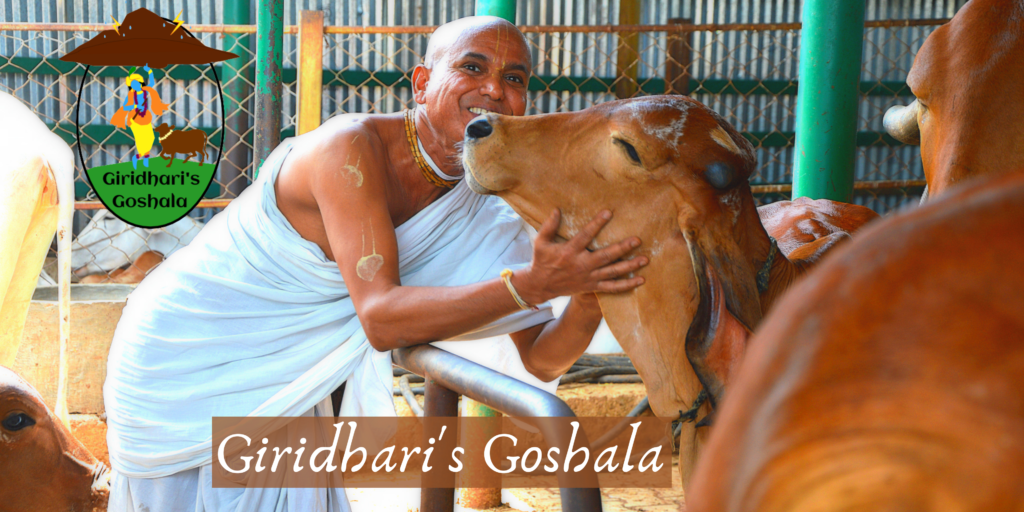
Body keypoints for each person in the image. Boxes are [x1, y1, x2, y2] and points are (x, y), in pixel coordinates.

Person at [104, 16, 647, 511]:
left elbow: (540, 363)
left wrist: (586, 292)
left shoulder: (489, 205)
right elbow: (382, 319)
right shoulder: (350, 148)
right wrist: (530, 285)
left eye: (515, 79)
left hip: (297, 383)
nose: (494, 91)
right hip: (185, 358)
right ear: (420, 84)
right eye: (472, 68)